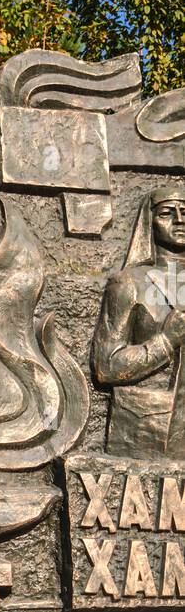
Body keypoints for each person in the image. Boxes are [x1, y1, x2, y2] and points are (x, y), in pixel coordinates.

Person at [93, 186, 185, 457]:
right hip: (148, 428)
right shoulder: (128, 283)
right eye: (168, 213)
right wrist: (166, 341)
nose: (180, 220)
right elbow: (106, 365)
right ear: (149, 222)